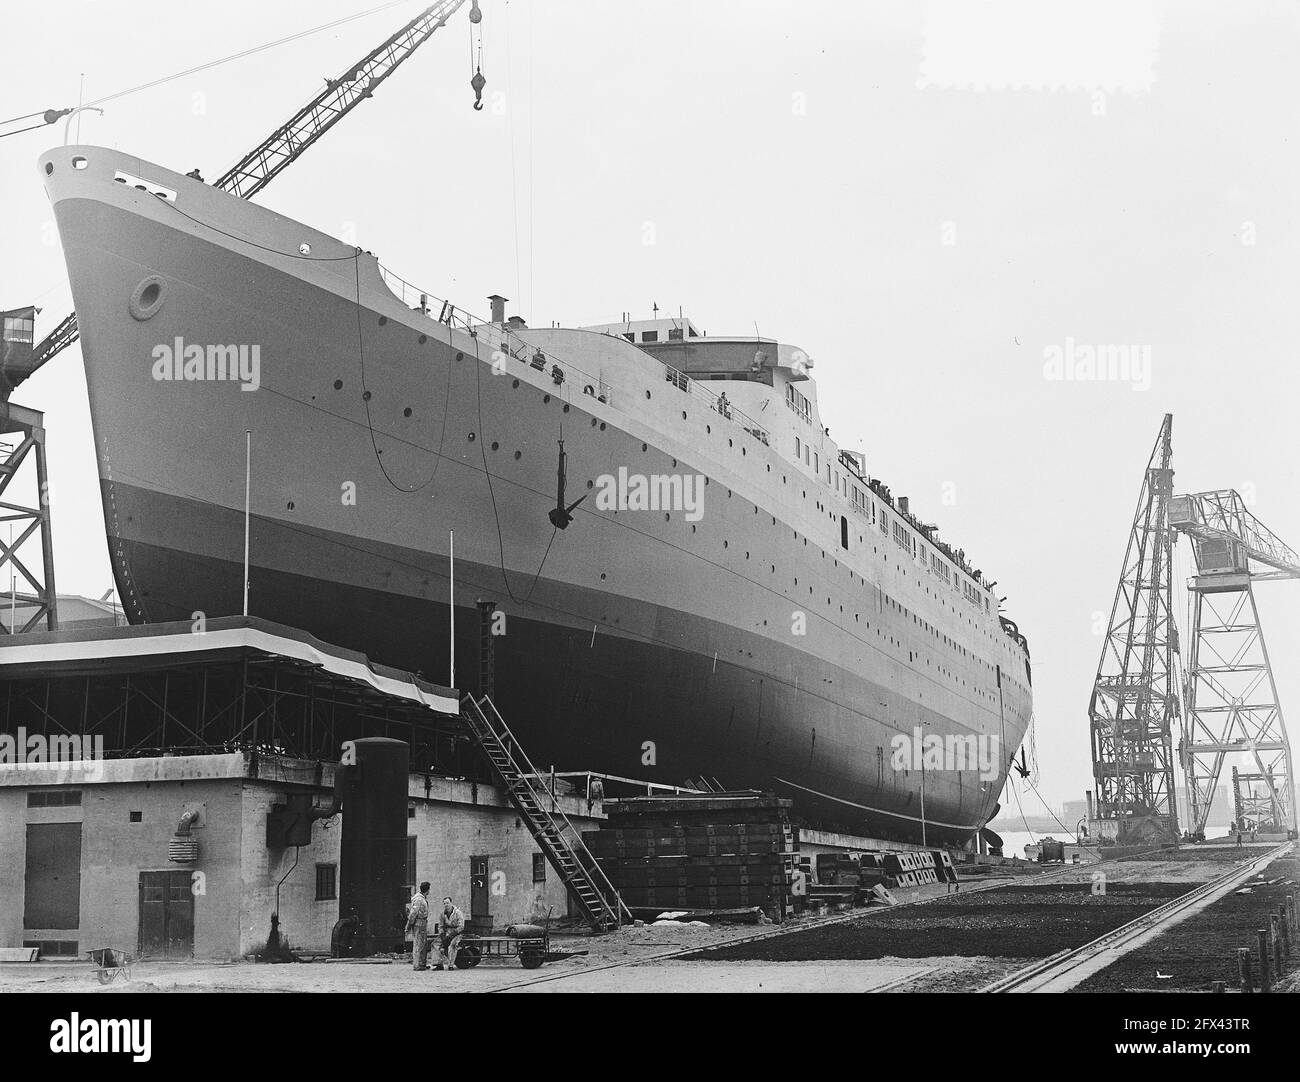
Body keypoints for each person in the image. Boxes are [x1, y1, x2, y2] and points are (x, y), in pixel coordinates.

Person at [434, 896, 466, 971]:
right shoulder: (442, 914)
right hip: (446, 933)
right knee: (435, 944)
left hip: (456, 933)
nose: (446, 905)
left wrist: (451, 935)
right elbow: (440, 926)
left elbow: (461, 926)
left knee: (452, 945)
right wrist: (442, 935)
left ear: (451, 903)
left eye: (447, 903)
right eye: (444, 903)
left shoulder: (458, 913)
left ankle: (450, 965)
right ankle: (439, 964)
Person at [406, 881, 431, 971]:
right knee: (418, 944)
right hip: (419, 922)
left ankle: (421, 963)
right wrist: (409, 925)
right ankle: (417, 965)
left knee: (422, 944)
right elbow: (413, 913)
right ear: (427, 889)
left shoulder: (421, 898)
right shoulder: (419, 899)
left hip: (422, 922)